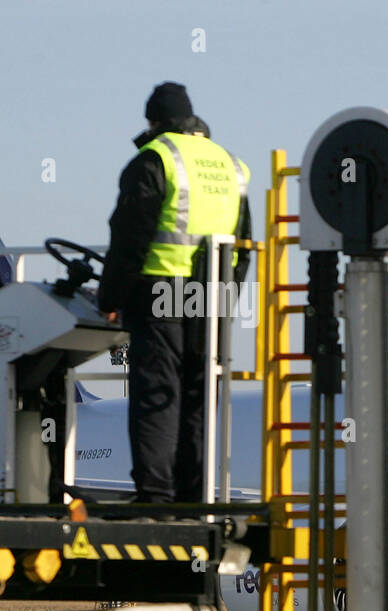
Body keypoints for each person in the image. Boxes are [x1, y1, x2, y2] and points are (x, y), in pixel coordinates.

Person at [98, 82, 251, 503]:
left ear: (153, 121)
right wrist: (227, 301)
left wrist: (110, 299)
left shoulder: (155, 159)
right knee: (200, 394)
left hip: (161, 290)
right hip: (212, 295)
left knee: (157, 392)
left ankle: (155, 495)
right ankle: (194, 494)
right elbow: (244, 246)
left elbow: (130, 239)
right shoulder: (231, 166)